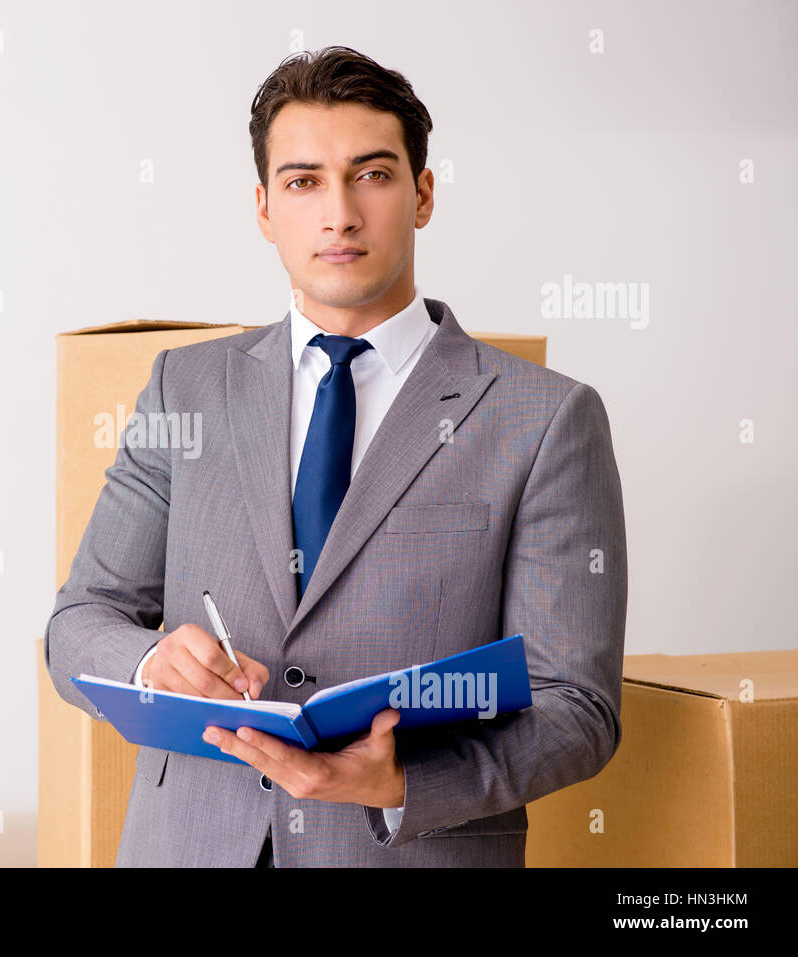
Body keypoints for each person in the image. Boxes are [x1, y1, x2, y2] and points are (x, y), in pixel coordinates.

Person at [43, 45, 627, 867]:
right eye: (304, 181)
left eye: (373, 175)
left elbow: (581, 708)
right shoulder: (187, 387)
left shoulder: (546, 418)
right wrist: (149, 659)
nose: (339, 214)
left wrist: (405, 781)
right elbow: (76, 624)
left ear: (423, 195)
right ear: (263, 208)